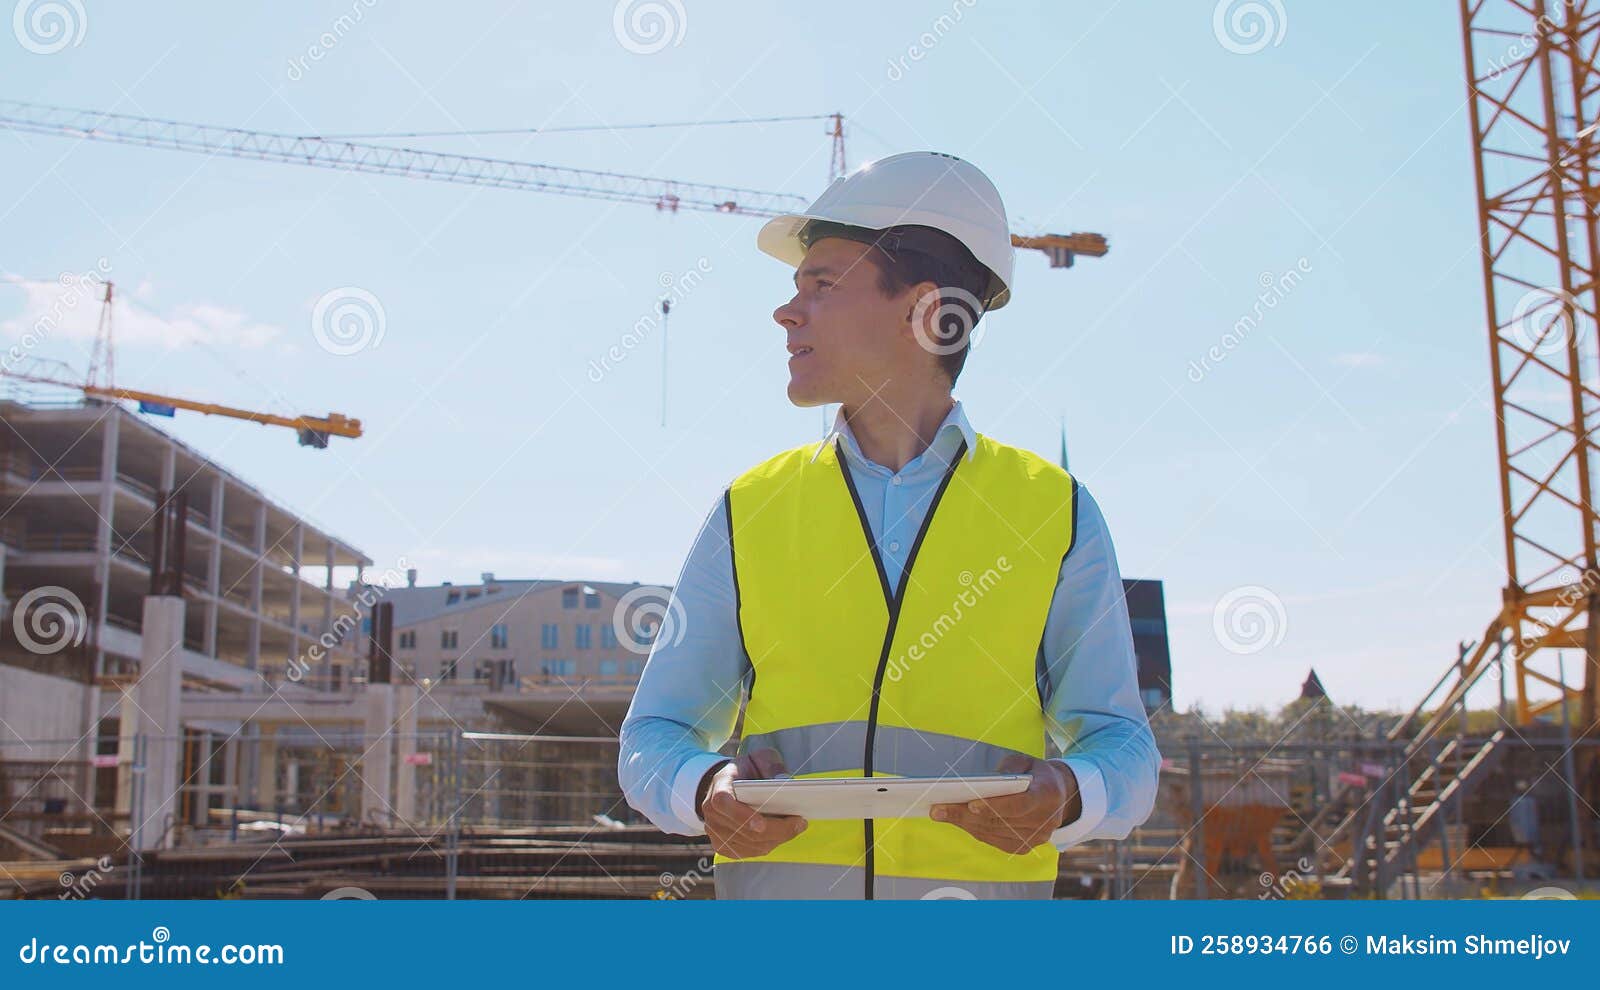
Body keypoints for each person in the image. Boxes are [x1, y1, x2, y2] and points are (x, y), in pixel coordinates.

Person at [618, 151, 1161, 899]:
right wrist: (703, 786)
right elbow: (653, 736)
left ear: (927, 312)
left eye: (822, 284)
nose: (787, 310)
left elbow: (1125, 745)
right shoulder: (751, 507)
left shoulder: (1053, 511)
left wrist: (1071, 793)